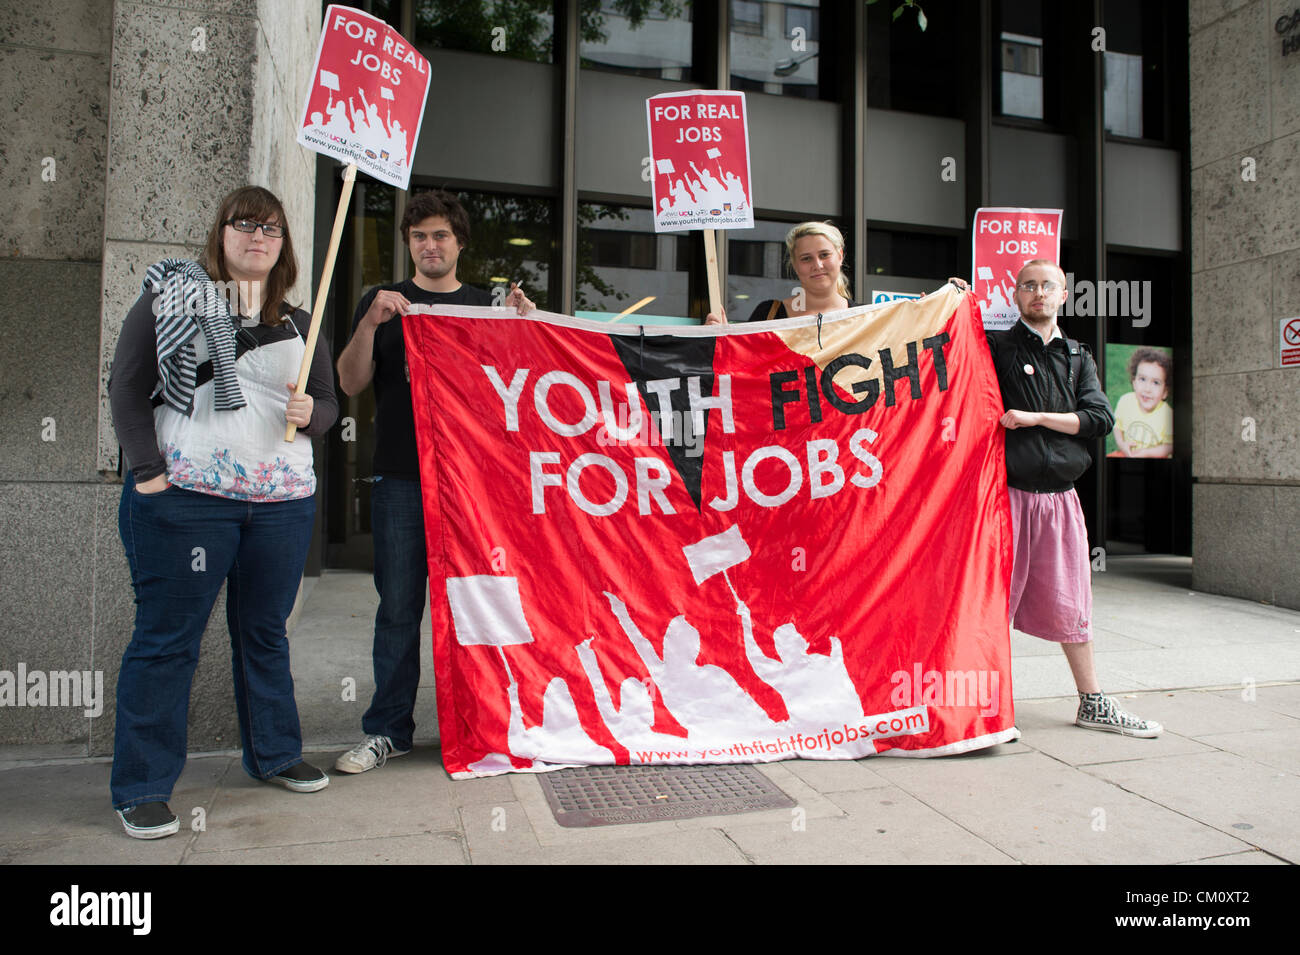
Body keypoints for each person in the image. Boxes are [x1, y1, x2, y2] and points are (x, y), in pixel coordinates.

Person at [108, 186, 339, 839]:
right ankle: (142, 786)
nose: (257, 237)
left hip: (280, 506)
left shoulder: (302, 321)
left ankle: (274, 753)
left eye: (270, 228)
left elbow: (328, 405)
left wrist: (313, 414)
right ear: (223, 233)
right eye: (245, 224)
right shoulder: (170, 303)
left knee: (265, 634)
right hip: (185, 502)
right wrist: (149, 474)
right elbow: (126, 388)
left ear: (282, 244)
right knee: (166, 640)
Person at [334, 189, 534, 774]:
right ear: (408, 244)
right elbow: (349, 384)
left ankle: (490, 723)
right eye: (419, 236)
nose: (429, 245)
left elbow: (523, 383)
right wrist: (370, 324)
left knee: (482, 603)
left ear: (460, 243)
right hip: (401, 476)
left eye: (440, 235)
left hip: (474, 482)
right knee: (398, 606)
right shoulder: (383, 303)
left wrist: (525, 324)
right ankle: (388, 730)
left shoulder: (484, 306)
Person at [982, 260, 1162, 737]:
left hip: (1061, 498)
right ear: (1015, 294)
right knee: (990, 604)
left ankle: (1092, 702)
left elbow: (1100, 419)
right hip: (1005, 499)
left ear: (1064, 294)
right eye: (1029, 286)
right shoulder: (993, 347)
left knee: (1072, 604)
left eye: (1048, 286)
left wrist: (1036, 417)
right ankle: (986, 707)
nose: (1038, 293)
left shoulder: (1078, 355)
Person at [704, 221, 855, 325]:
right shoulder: (768, 315)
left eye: (824, 255)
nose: (817, 265)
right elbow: (741, 366)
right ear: (795, 265)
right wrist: (720, 343)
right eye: (806, 258)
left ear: (840, 256)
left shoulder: (867, 320)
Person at [1113, 347, 1173, 458]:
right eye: (1142, 379)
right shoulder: (1125, 401)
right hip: (1127, 453)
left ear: (1165, 392)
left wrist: (1146, 453)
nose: (1147, 388)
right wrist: (1122, 445)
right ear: (1134, 382)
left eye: (1156, 382)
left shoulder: (1168, 414)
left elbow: (1169, 446)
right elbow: (1117, 427)